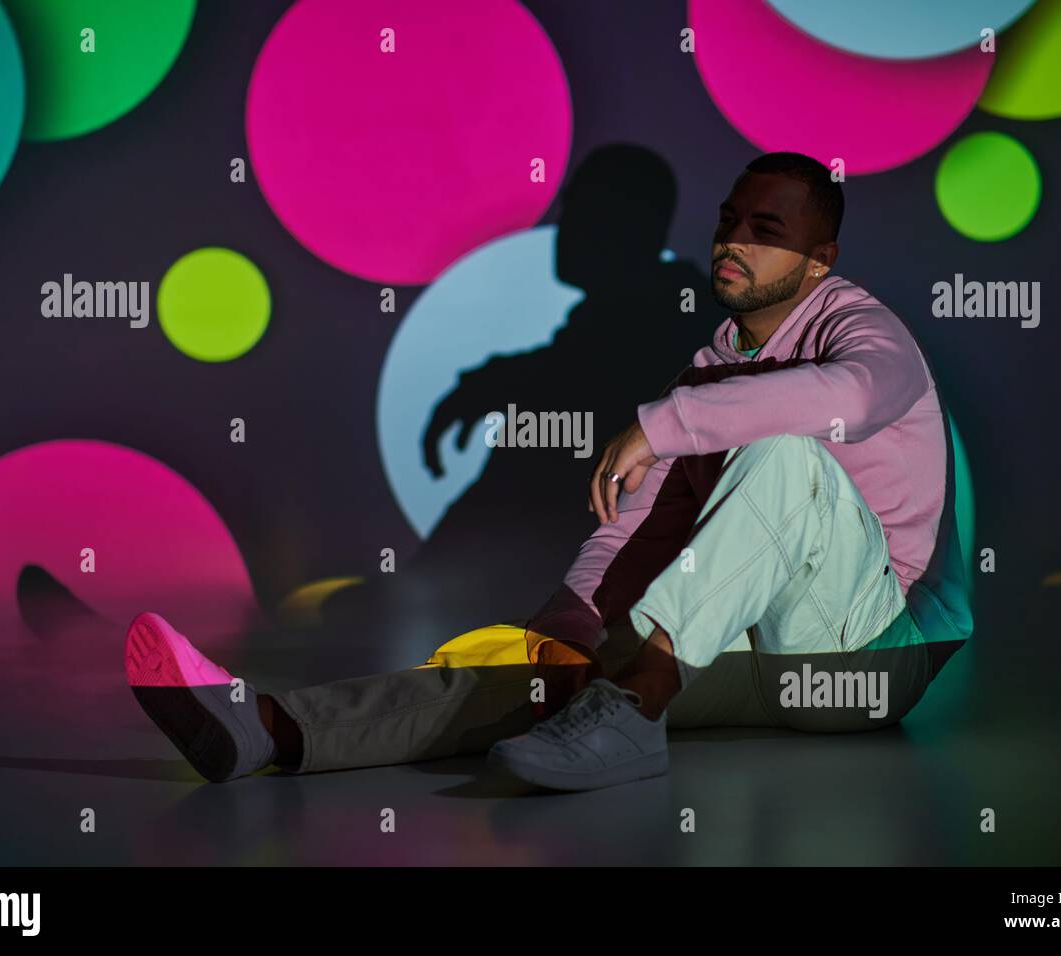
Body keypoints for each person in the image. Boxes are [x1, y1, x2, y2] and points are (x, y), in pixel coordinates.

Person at [126, 152, 973, 792]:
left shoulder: (865, 333)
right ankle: (272, 731)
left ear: (819, 261)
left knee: (786, 456)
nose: (733, 243)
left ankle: (636, 711)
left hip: (871, 660)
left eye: (766, 232)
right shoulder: (714, 369)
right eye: (730, 222)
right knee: (550, 669)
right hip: (763, 650)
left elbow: (850, 399)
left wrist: (659, 423)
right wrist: (569, 624)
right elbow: (645, 520)